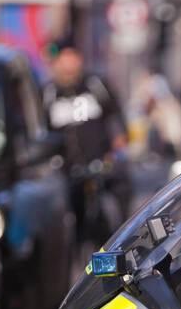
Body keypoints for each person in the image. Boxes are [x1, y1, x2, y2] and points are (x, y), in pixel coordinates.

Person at [42, 47, 132, 241]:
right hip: (68, 169)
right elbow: (42, 130)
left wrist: (118, 143)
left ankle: (124, 239)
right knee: (71, 215)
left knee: (120, 193)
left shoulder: (95, 85)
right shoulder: (48, 93)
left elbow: (115, 114)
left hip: (102, 161)